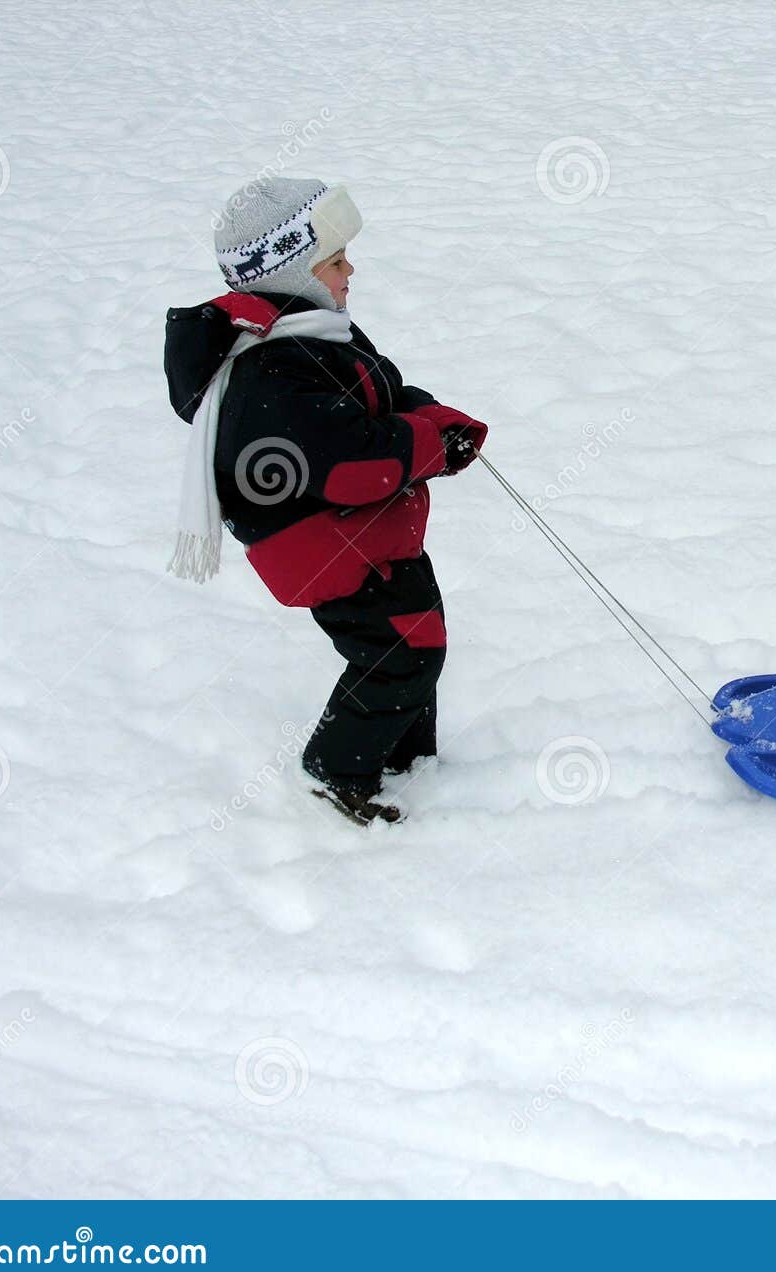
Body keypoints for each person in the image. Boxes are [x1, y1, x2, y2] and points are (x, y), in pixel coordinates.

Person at [165, 177, 487, 825]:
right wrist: (424, 444)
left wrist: (430, 416)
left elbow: (377, 393)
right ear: (292, 273)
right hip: (324, 545)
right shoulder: (268, 368)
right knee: (399, 656)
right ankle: (337, 772)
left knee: (420, 642)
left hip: (370, 534)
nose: (351, 271)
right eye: (335, 261)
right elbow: (348, 462)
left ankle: (405, 758)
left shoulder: (314, 334)